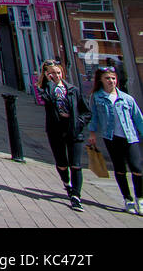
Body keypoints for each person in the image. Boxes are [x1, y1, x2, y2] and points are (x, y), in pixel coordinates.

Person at [87, 65, 143, 214]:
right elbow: (94, 117)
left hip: (130, 137)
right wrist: (92, 134)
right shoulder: (97, 97)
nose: (111, 81)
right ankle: (128, 199)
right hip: (111, 138)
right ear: (101, 80)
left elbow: (138, 119)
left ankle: (141, 199)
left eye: (113, 78)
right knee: (120, 170)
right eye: (107, 78)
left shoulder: (127, 98)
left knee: (137, 169)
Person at [38, 60, 91, 210]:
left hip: (73, 130)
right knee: (62, 164)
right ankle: (67, 184)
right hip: (55, 130)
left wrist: (79, 122)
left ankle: (76, 196)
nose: (56, 75)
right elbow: (46, 99)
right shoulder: (45, 89)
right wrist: (49, 83)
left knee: (76, 164)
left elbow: (86, 111)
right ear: (47, 75)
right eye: (52, 73)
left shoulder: (73, 90)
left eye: (58, 72)